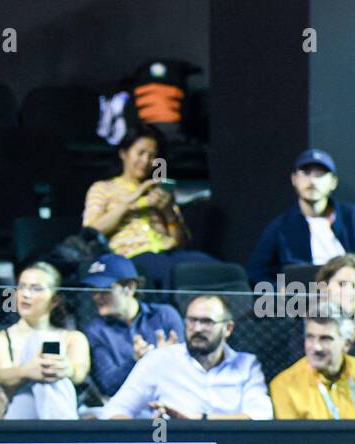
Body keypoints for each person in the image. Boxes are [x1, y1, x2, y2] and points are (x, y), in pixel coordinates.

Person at [81, 120, 215, 288]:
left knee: (218, 269)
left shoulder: (159, 191)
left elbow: (181, 243)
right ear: (124, 153)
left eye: (152, 155)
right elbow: (90, 232)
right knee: (172, 272)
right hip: (130, 256)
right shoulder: (103, 188)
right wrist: (130, 202)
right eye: (141, 153)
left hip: (169, 254)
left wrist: (167, 211)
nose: (146, 160)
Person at [101, 293, 272, 420]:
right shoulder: (159, 360)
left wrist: (197, 419)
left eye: (207, 322)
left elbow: (261, 415)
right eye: (191, 320)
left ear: (228, 328)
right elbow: (114, 410)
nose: (197, 329)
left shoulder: (246, 364)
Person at [246, 149, 355, 288]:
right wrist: (280, 291)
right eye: (305, 173)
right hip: (302, 306)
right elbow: (257, 271)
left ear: (333, 182)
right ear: (294, 179)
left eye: (320, 174)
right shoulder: (281, 226)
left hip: (353, 301)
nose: (312, 181)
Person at [0, 261, 90, 419]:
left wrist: (65, 369)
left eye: (36, 288)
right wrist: (27, 371)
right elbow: (2, 375)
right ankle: (61, 437)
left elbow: (79, 372)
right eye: (21, 286)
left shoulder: (74, 338)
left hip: (58, 402)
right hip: (12, 412)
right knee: (39, 349)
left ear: (55, 300)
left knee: (52, 379)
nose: (25, 294)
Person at [81, 252, 185, 397]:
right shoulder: (95, 331)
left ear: (129, 288)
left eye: (104, 289)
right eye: (93, 290)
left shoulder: (164, 315)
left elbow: (187, 374)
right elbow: (108, 386)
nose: (96, 296)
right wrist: (135, 361)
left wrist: (166, 359)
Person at [269, 311, 355, 419]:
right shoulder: (284, 385)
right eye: (310, 337)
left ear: (347, 344)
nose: (316, 347)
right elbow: (290, 442)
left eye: (325, 339)